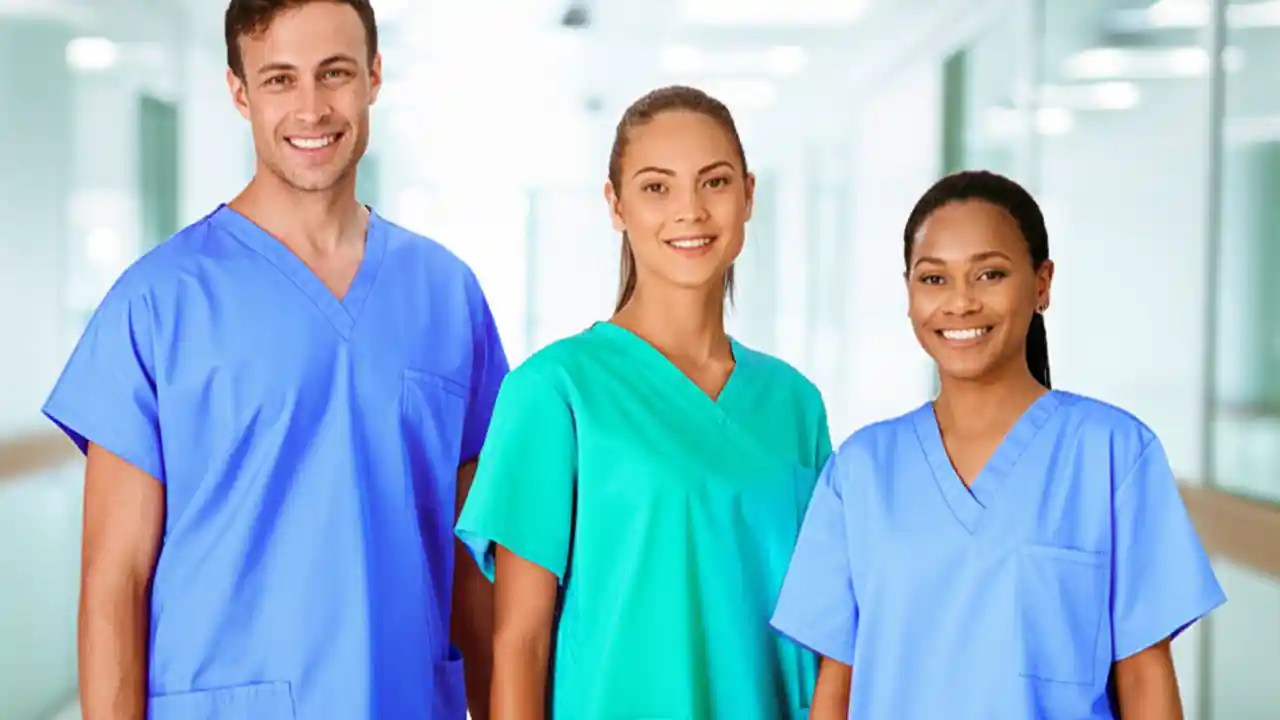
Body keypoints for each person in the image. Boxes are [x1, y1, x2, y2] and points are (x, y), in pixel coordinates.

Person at [41, 1, 506, 718]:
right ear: (239, 92)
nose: (312, 109)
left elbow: (477, 568)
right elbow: (114, 583)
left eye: (336, 74)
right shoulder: (159, 302)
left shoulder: (446, 295)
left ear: (374, 76)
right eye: (281, 79)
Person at [770, 169, 1226, 719]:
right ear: (909, 294)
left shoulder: (1113, 454)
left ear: (1042, 283)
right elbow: (836, 687)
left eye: (989, 274)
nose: (960, 303)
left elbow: (1145, 679)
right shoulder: (861, 471)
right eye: (934, 279)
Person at [455, 85, 830, 719]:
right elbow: (520, 643)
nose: (690, 210)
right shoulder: (555, 392)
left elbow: (826, 628)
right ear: (616, 204)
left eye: (714, 182)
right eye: (657, 187)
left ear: (748, 195)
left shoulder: (795, 405)